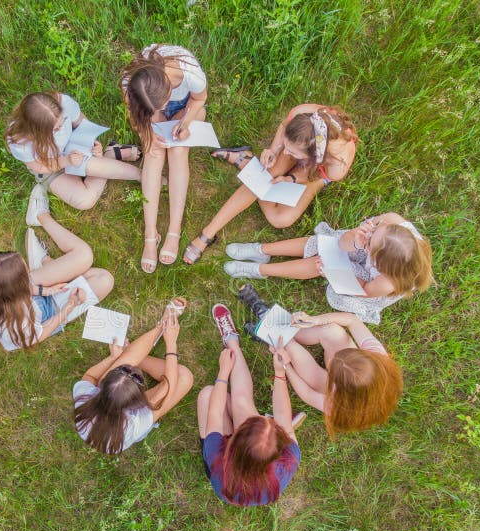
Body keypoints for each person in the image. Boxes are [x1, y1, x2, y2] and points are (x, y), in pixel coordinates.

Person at [184, 104, 357, 264]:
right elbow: (284, 127)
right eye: (286, 147)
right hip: (304, 151)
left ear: (312, 157)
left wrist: (292, 178)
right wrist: (275, 150)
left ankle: (248, 164)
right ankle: (208, 233)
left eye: (291, 152)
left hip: (317, 174)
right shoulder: (304, 116)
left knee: (280, 219)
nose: (286, 153)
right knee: (266, 177)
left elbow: (314, 176)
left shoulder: (337, 166)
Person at [237, 285, 402, 439]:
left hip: (334, 388)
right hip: (347, 382)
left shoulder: (339, 406)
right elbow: (352, 320)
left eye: (332, 365)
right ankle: (273, 325)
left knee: (298, 355)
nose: (331, 359)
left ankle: (272, 331)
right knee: (331, 331)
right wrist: (316, 320)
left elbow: (308, 394)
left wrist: (286, 366)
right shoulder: (377, 357)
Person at [224, 212, 433, 323]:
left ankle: (260, 270)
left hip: (364, 285)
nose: (369, 233)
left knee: (321, 264)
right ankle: (262, 250)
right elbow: (343, 242)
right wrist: (357, 240)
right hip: (369, 256)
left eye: (370, 241)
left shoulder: (388, 282)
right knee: (324, 244)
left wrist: (334, 274)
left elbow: (364, 290)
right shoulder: (390, 222)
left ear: (379, 262)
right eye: (375, 230)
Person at [0, 196, 113, 351]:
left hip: (34, 296)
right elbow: (42, 333)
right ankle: (46, 258)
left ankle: (44, 249)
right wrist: (70, 305)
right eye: (26, 273)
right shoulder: (13, 329)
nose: (28, 274)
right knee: (104, 280)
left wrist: (45, 290)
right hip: (50, 314)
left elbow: (25, 287)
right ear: (13, 290)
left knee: (84, 256)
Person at [197, 304, 301, 506]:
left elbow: (215, 413)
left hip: (223, 467)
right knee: (240, 402)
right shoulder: (289, 459)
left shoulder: (216, 455)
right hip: (241, 459)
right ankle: (232, 344)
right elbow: (283, 415)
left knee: (208, 395)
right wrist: (279, 373)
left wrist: (223, 373)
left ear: (236, 435)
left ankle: (232, 344)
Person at [121, 44, 209, 272]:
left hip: (187, 108)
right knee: (153, 152)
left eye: (161, 103)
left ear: (168, 86)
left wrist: (185, 123)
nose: (162, 107)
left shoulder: (190, 72)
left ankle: (174, 229)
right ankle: (151, 234)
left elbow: (200, 99)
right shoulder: (133, 81)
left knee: (178, 150)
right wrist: (147, 133)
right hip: (152, 113)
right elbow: (135, 113)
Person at [74, 299, 194, 454]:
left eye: (123, 369)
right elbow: (168, 387)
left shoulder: (83, 396)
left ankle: (161, 326)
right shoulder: (136, 423)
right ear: (138, 401)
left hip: (110, 406)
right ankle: (135, 349)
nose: (132, 369)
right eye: (137, 379)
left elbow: (90, 375)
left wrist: (112, 358)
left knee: (126, 367)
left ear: (102, 385)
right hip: (134, 425)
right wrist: (171, 344)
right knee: (184, 376)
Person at [5, 91, 142, 210]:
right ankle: (110, 155)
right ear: (36, 132)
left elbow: (82, 123)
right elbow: (40, 167)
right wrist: (66, 161)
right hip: (50, 166)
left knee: (89, 164)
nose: (60, 128)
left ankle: (142, 176)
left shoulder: (64, 103)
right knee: (84, 201)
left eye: (62, 121)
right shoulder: (19, 141)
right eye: (55, 129)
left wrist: (92, 143)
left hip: (74, 145)